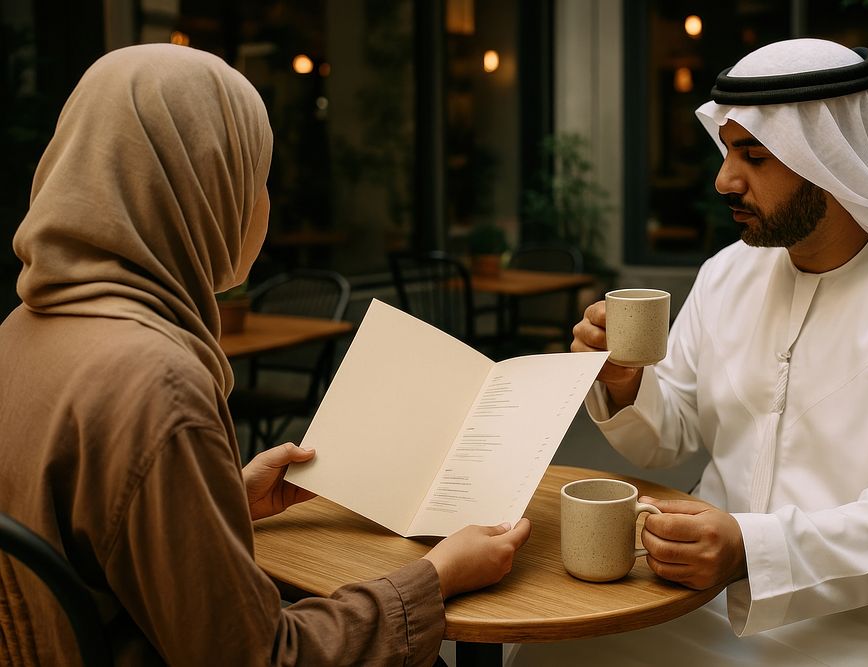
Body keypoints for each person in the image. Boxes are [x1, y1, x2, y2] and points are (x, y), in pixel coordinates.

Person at [0, 43, 530, 665]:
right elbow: (260, 656)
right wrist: (436, 578)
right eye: (255, 177)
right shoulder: (155, 384)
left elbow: (95, 545)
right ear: (200, 188)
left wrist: (222, 499)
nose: (266, 203)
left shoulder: (23, 331)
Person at [514, 38, 868, 665]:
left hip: (864, 623)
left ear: (831, 159)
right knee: (553, 648)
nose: (724, 179)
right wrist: (626, 380)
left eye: (754, 155)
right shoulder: (729, 273)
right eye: (727, 149)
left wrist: (750, 546)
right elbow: (671, 435)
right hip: (697, 593)